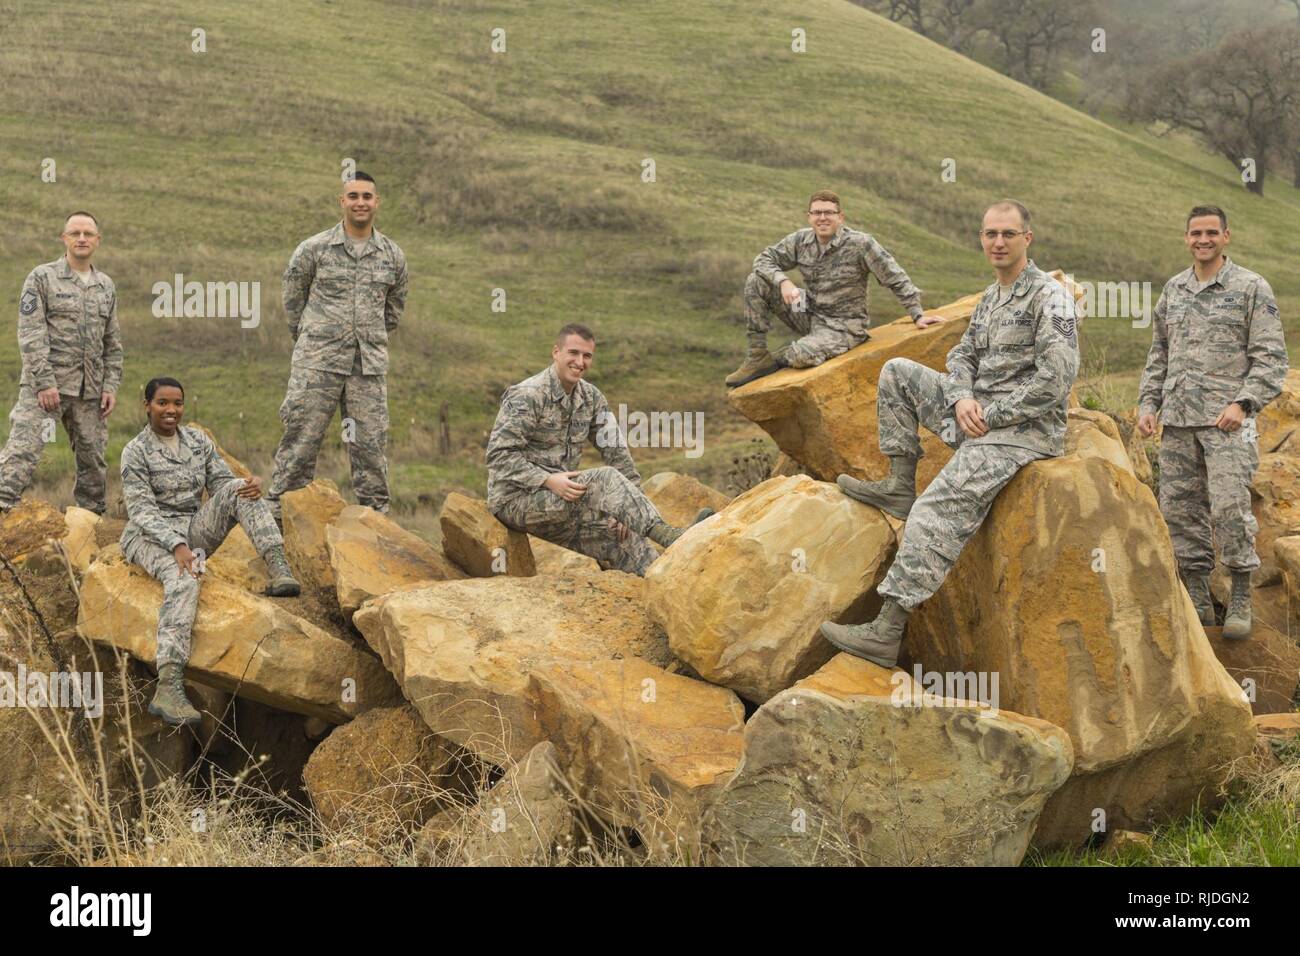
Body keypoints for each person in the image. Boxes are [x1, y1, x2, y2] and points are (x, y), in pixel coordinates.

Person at [821, 200, 1079, 666]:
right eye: (989, 234)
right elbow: (961, 355)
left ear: (1027, 238)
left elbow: (1056, 381)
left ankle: (887, 630)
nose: (997, 242)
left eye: (1007, 234)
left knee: (933, 510)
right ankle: (899, 484)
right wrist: (961, 397)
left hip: (1022, 432)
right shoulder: (992, 297)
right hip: (977, 413)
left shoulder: (1049, 297)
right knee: (897, 371)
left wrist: (992, 415)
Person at [1137, 205, 1287, 640]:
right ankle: (1198, 595)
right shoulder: (1174, 289)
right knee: (1181, 513)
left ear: (1226, 236)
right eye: (1195, 233)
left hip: (1227, 425)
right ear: (1186, 238)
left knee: (1229, 509)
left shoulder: (1250, 287)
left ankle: (1240, 593)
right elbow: (1158, 355)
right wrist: (1149, 405)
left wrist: (1244, 404)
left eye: (1210, 233)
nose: (1202, 240)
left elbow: (1271, 360)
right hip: (1179, 424)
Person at [120, 377, 301, 727]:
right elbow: (141, 512)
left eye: (177, 403)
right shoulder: (136, 450)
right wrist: (178, 547)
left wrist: (247, 486)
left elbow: (219, 484)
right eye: (162, 403)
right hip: (149, 535)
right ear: (147, 405)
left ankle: (279, 567)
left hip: (191, 525)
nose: (171, 410)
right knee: (186, 578)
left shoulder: (197, 441)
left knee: (238, 488)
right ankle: (169, 685)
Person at [486, 324, 708, 574]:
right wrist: (547, 480)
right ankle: (671, 535)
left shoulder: (591, 398)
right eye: (573, 353)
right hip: (516, 501)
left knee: (624, 538)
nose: (580, 362)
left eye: (587, 356)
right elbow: (499, 456)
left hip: (560, 502)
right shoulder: (527, 395)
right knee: (604, 477)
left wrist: (627, 512)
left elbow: (617, 453)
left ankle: (672, 578)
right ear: (556, 352)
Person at [265, 172, 408, 518]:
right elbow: (292, 299)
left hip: (367, 368)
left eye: (367, 197)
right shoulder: (314, 249)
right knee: (301, 438)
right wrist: (313, 339)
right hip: (318, 362)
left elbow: (394, 309)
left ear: (377, 202)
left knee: (370, 447)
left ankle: (375, 520)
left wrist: (368, 339)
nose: (361, 202)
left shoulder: (392, 255)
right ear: (342, 201)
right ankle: (282, 516)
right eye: (354, 196)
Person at [725, 189, 937, 388]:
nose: (822, 218)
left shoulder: (860, 244)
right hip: (808, 312)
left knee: (802, 355)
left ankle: (781, 357)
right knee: (756, 280)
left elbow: (896, 277)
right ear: (809, 217)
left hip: (842, 325)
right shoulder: (800, 240)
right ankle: (757, 355)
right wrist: (783, 282)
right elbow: (763, 259)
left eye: (828, 212)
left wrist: (917, 315)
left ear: (840, 217)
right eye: (817, 213)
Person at [0, 212, 122, 514]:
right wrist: (44, 382)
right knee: (23, 453)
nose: (82, 238)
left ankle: (90, 528)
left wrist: (110, 386)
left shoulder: (105, 286)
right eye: (75, 233)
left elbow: (112, 342)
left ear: (97, 240)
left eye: (88, 234)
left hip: (90, 393)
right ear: (64, 238)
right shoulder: (42, 278)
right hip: (46, 390)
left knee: (93, 464)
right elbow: (30, 333)